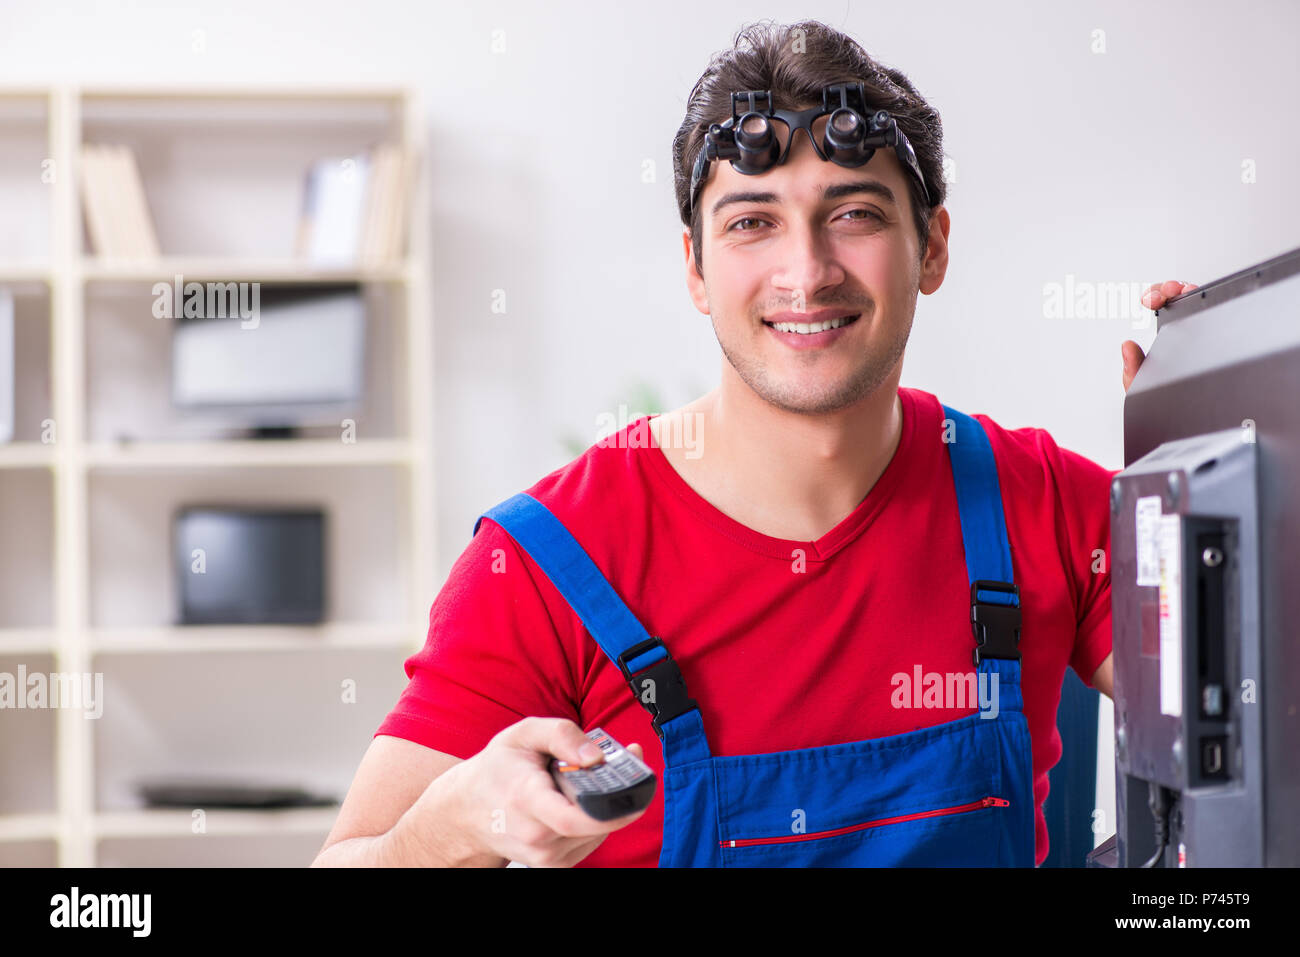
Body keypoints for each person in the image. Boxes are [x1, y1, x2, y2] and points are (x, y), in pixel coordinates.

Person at [312, 19, 1196, 868]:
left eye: (853, 213)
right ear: (696, 269)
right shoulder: (547, 564)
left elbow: (1240, 712)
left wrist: (1227, 486)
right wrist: (462, 826)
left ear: (932, 246)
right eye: (751, 221)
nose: (806, 271)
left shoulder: (1037, 501)